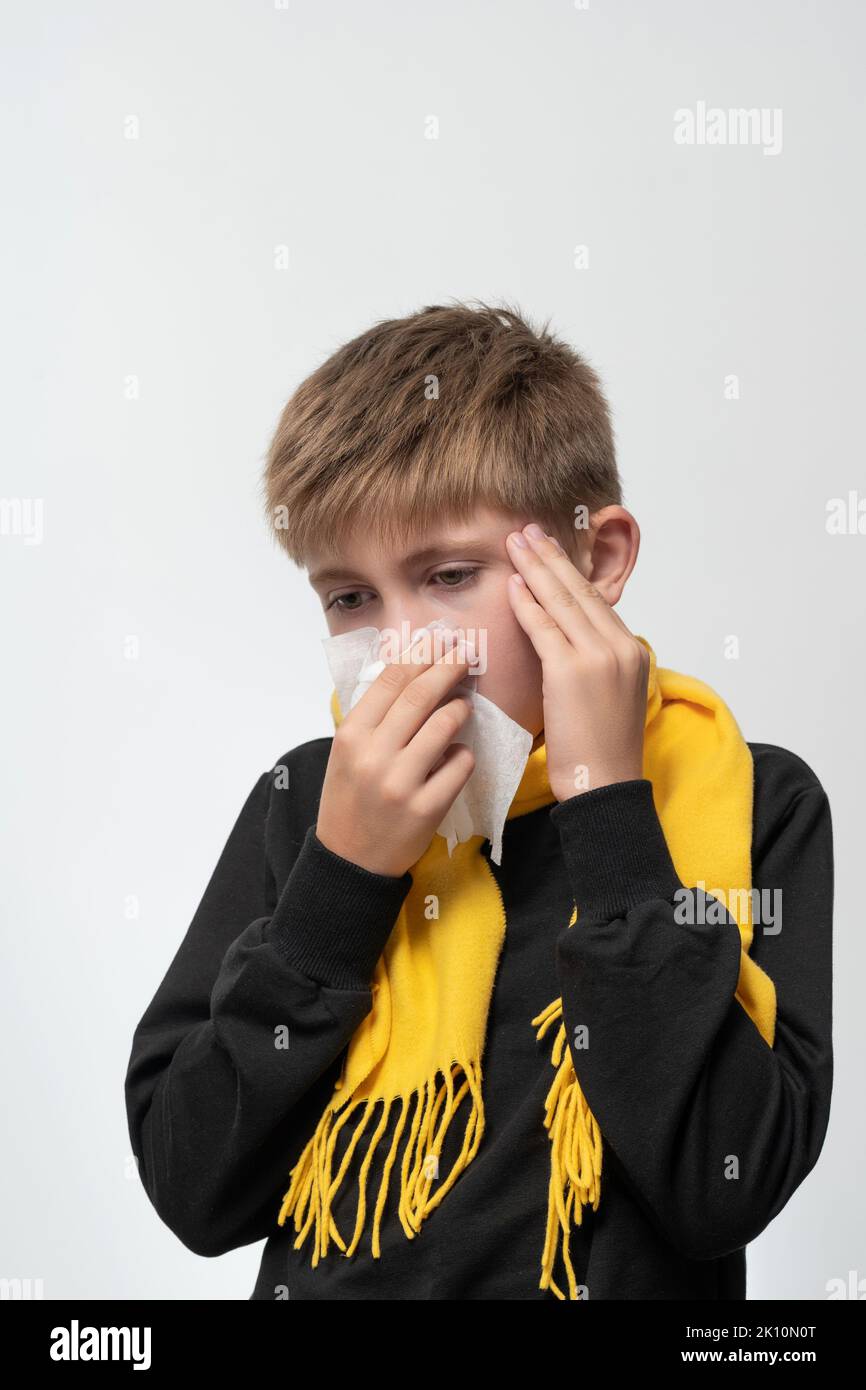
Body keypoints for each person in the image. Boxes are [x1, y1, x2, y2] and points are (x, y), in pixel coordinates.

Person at [124, 300, 833, 1300]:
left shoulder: (757, 800)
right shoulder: (303, 803)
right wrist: (341, 883)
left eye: (447, 575)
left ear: (594, 559)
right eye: (348, 597)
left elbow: (720, 1185)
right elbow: (193, 1189)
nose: (399, 646)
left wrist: (608, 806)